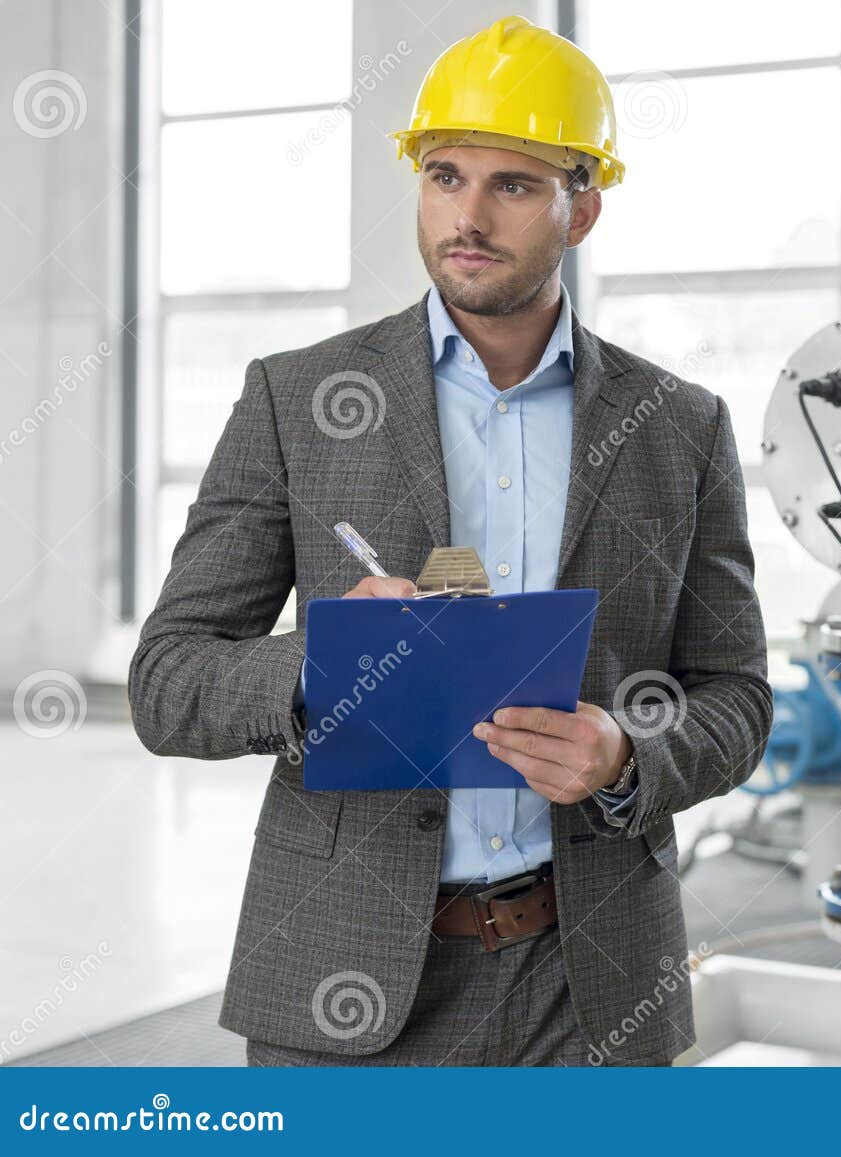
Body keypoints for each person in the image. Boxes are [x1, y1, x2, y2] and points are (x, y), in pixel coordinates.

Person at [128, 16, 772, 1067]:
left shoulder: (677, 425)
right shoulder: (299, 400)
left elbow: (736, 694)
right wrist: (323, 659)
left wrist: (624, 749)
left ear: (584, 205)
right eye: (444, 175)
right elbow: (166, 683)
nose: (467, 216)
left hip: (594, 982)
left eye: (513, 184)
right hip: (348, 978)